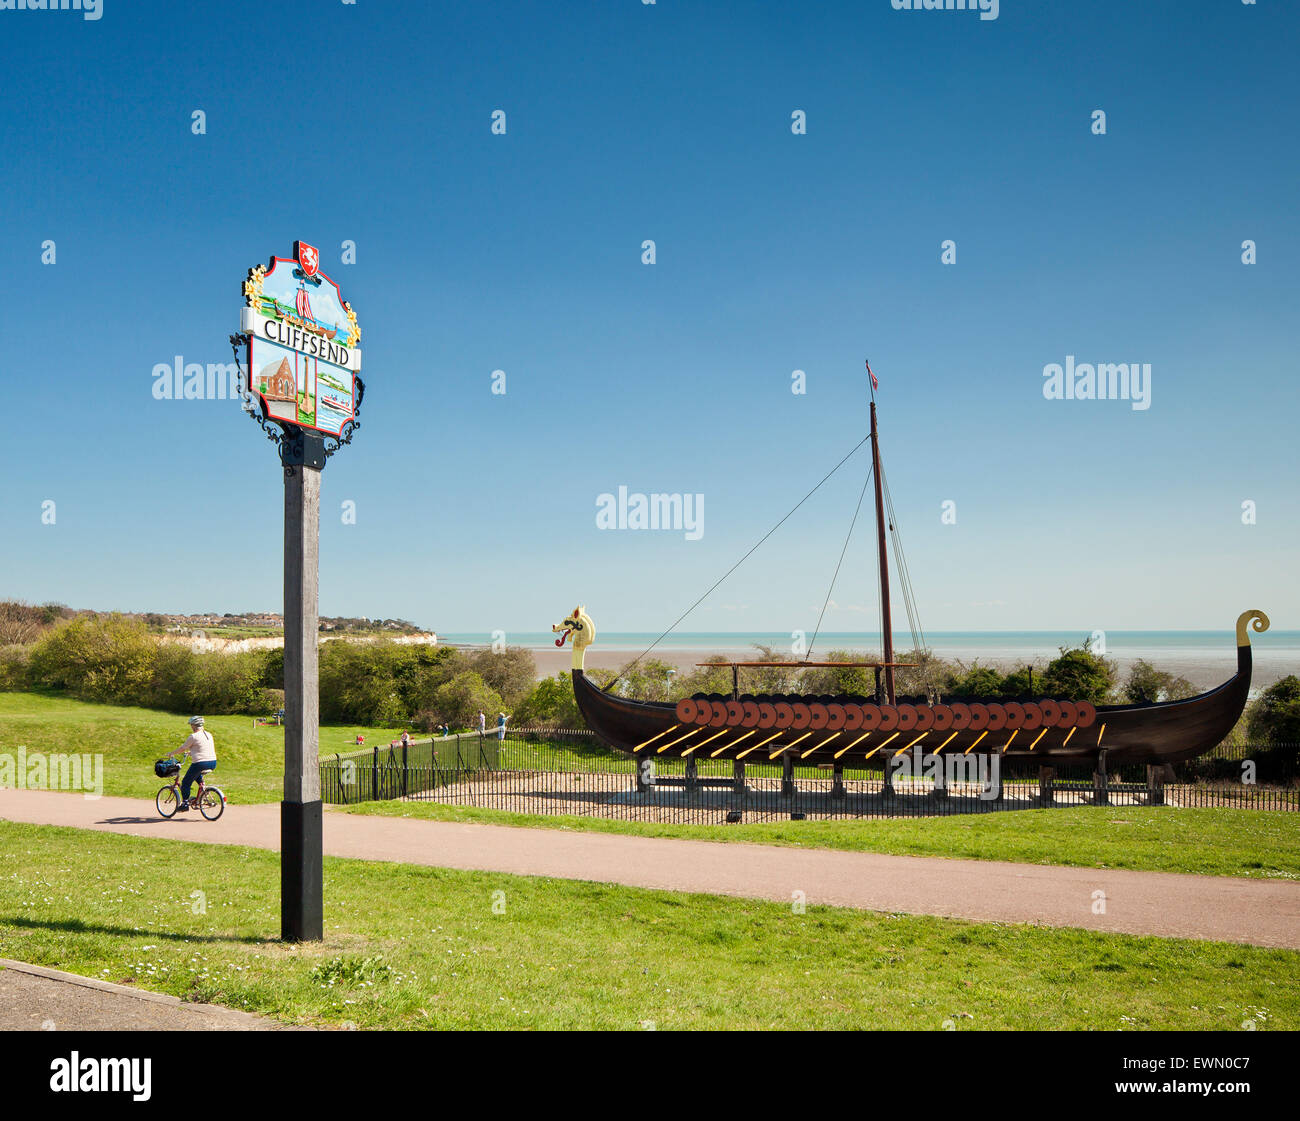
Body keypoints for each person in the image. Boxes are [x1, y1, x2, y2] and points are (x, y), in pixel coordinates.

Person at [168, 716, 217, 812]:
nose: (191, 727)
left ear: (194, 725)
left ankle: (185, 804)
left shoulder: (193, 736)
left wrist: (172, 753)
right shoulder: (208, 734)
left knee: (186, 782)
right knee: (196, 774)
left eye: (191, 725)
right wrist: (192, 753)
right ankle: (203, 790)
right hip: (213, 762)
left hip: (200, 763)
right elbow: (203, 747)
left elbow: (182, 748)